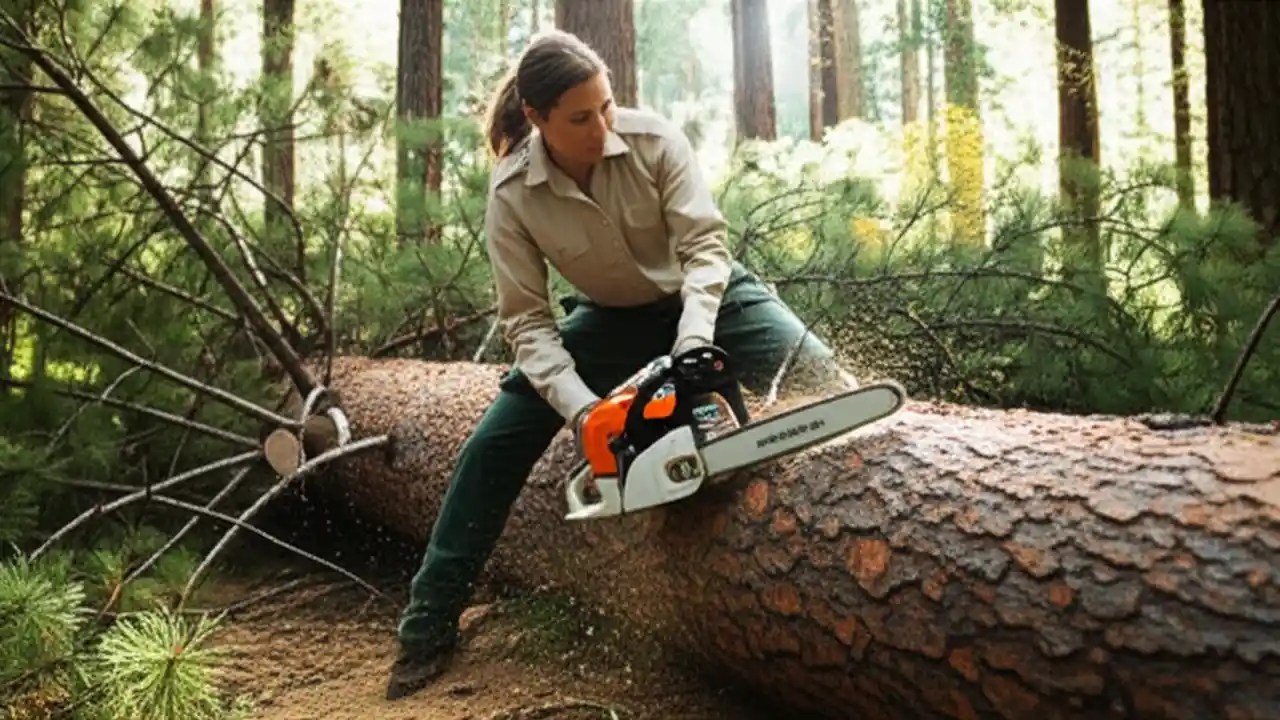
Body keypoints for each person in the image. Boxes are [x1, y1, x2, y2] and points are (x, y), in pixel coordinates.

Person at [385, 29, 847, 701]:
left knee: (826, 380)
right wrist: (584, 411)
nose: (601, 128)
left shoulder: (654, 142)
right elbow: (528, 323)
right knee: (491, 447)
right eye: (580, 118)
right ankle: (427, 626)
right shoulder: (513, 192)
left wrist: (694, 341)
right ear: (537, 118)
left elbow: (705, 249)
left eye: (605, 106)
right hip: (608, 320)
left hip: (708, 297)